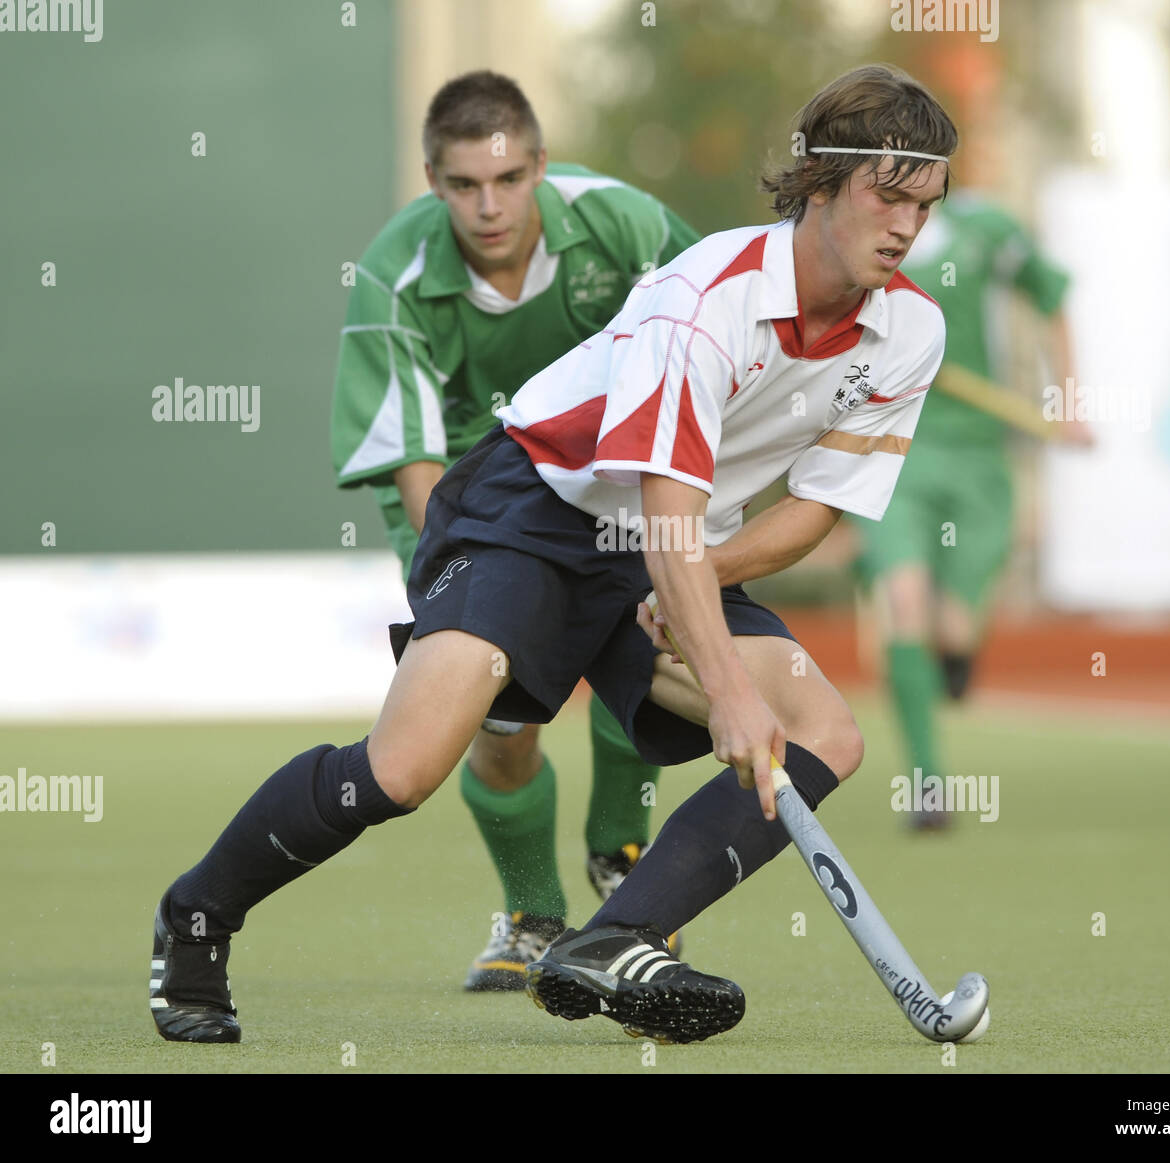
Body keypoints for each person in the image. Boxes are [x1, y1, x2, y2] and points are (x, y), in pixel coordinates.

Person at [148, 63, 957, 1046]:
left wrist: (706, 583)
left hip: (673, 543)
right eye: (888, 195)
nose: (908, 225)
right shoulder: (706, 293)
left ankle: (615, 935)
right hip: (532, 506)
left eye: (925, 200)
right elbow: (664, 510)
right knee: (403, 767)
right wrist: (723, 681)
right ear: (820, 185)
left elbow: (815, 509)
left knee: (825, 732)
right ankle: (196, 916)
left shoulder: (910, 327)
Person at [330, 71, 700, 989]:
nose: (488, 207)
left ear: (539, 165)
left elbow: (716, 336)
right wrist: (480, 593)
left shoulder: (628, 225)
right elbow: (417, 464)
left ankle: (622, 860)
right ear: (432, 180)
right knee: (496, 715)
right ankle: (534, 915)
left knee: (642, 663)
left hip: (610, 472)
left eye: (506, 179)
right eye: (462, 185)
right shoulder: (395, 274)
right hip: (469, 495)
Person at [848, 156, 1085, 830]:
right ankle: (928, 785)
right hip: (898, 451)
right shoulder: (859, 237)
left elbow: (1052, 297)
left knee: (951, 625)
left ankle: (955, 652)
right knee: (904, 603)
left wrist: (1068, 401)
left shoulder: (989, 232)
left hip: (981, 456)